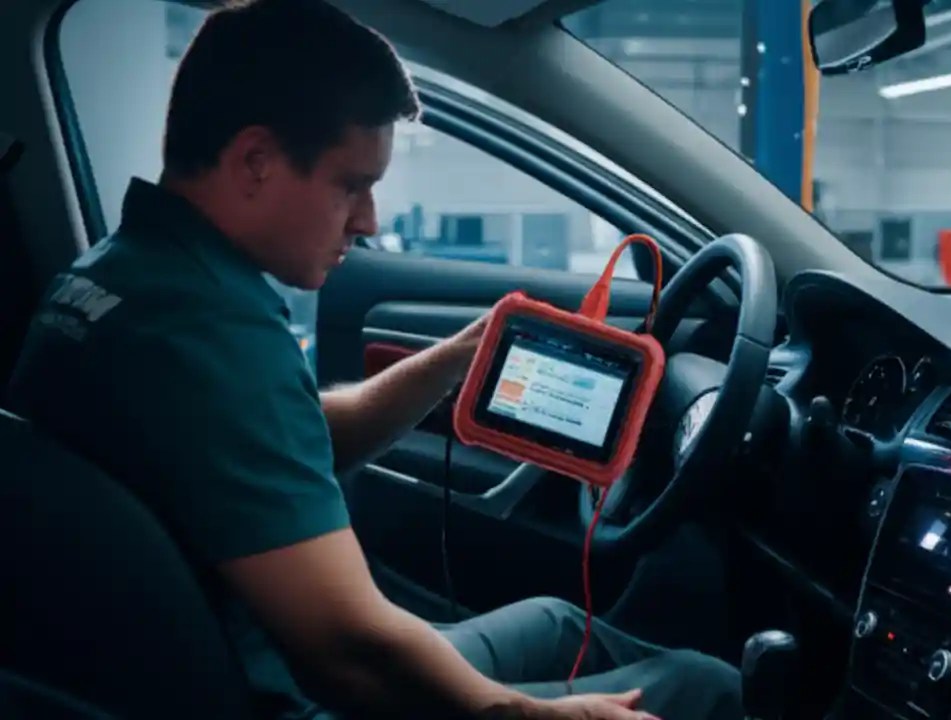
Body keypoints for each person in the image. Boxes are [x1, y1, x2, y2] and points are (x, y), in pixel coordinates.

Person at [5, 0, 743, 718]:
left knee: (556, 623)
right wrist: (520, 713)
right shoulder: (209, 335)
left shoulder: (121, 276)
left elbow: (285, 436)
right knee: (701, 685)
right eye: (351, 185)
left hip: (231, 662)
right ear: (255, 161)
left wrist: (456, 357)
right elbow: (350, 653)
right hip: (294, 695)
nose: (369, 222)